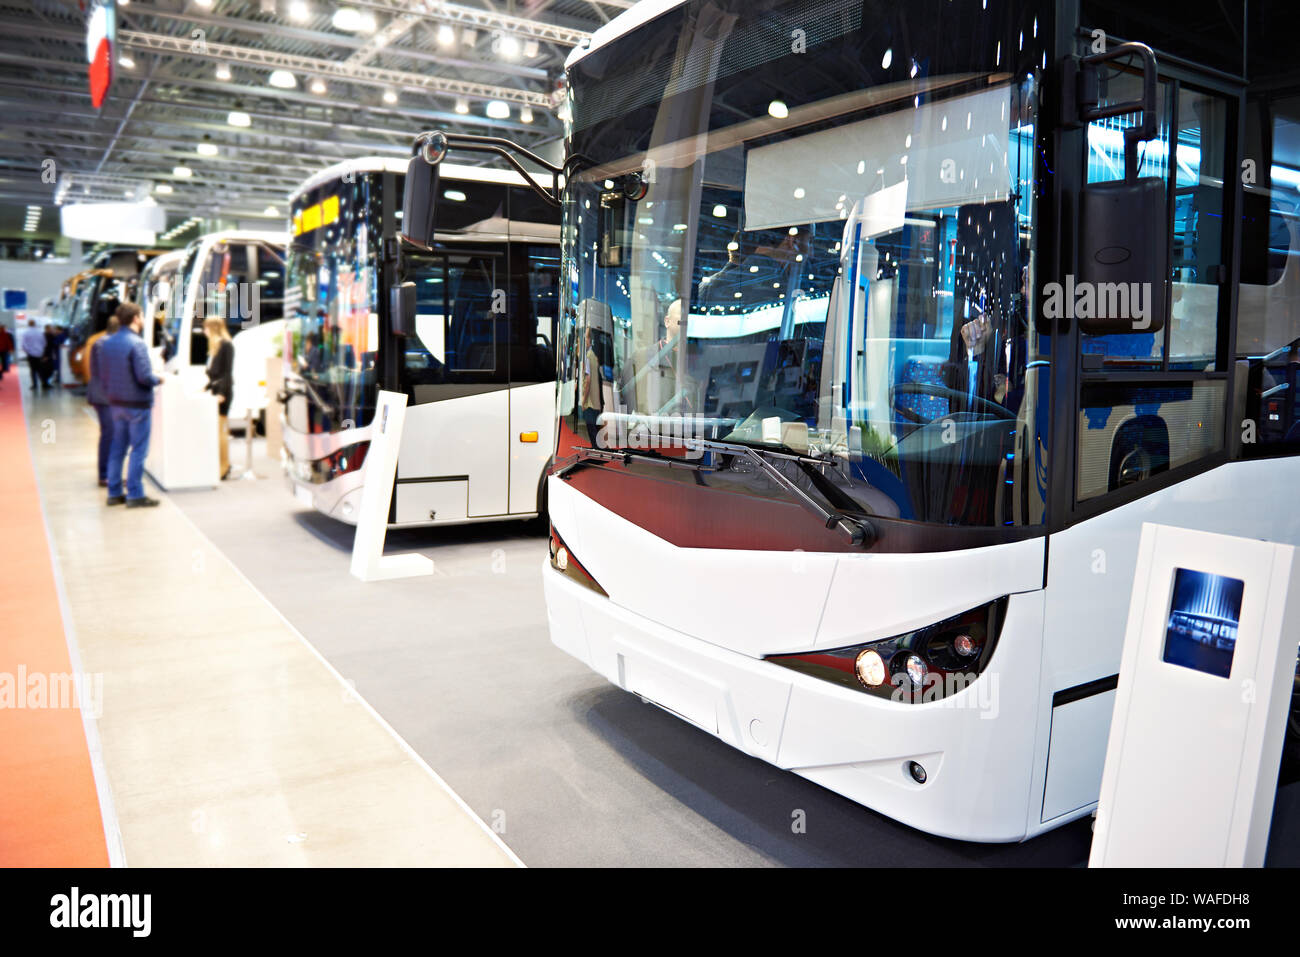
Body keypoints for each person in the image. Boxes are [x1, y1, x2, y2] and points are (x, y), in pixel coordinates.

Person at [101, 303, 162, 508]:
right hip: (137, 404)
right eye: (142, 315)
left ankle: (114, 492)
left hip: (115, 403)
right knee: (138, 449)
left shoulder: (107, 343)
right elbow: (144, 377)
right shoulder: (137, 343)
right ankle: (135, 494)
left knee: (117, 448)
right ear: (136, 318)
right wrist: (158, 379)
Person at [86, 316, 120, 487]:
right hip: (104, 396)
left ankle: (110, 473)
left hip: (105, 396)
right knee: (109, 433)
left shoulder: (103, 342)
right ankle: (105, 474)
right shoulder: (104, 344)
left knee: (112, 434)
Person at [203, 317, 234, 480]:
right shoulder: (214, 347)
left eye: (206, 328)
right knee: (217, 430)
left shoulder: (226, 345)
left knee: (221, 431)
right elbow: (213, 375)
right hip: (215, 391)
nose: (204, 331)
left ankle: (224, 466)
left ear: (213, 328)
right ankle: (219, 465)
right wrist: (205, 388)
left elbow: (226, 373)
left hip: (223, 394)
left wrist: (221, 393)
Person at [20, 319, 49, 390]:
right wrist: (41, 351)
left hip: (31, 354)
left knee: (33, 370)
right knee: (41, 369)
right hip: (40, 354)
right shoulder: (40, 332)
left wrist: (28, 351)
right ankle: (44, 383)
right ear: (35, 324)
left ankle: (34, 384)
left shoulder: (26, 333)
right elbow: (44, 343)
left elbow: (24, 344)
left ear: (28, 324)